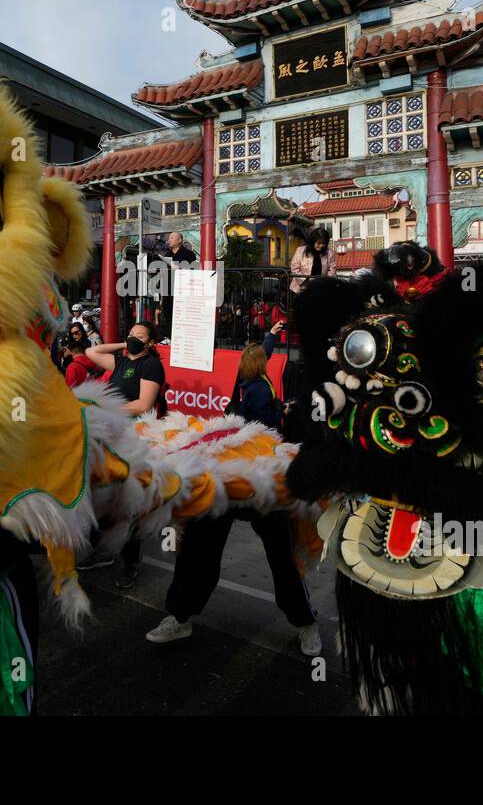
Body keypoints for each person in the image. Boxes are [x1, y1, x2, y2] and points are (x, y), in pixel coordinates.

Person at [146, 323, 322, 657]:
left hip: (263, 479)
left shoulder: (251, 382)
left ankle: (305, 621)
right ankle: (180, 616)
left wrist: (271, 334)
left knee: (283, 559)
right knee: (198, 548)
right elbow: (260, 420)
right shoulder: (253, 390)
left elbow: (265, 361)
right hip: (231, 475)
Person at [81, 321, 167, 587]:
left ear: (151, 343)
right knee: (100, 492)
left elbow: (143, 404)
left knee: (128, 501)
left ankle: (130, 563)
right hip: (111, 434)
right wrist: (124, 343)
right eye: (131, 333)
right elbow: (91, 353)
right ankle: (100, 551)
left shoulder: (151, 365)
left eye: (140, 336)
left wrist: (107, 407)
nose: (133, 338)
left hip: (134, 437)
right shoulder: (120, 361)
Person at [289, 225, 336, 294]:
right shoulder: (301, 250)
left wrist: (324, 282)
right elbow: (294, 268)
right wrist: (307, 281)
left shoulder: (330, 253)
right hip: (299, 288)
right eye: (319, 243)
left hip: (320, 288)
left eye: (323, 243)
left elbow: (332, 271)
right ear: (313, 241)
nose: (321, 246)